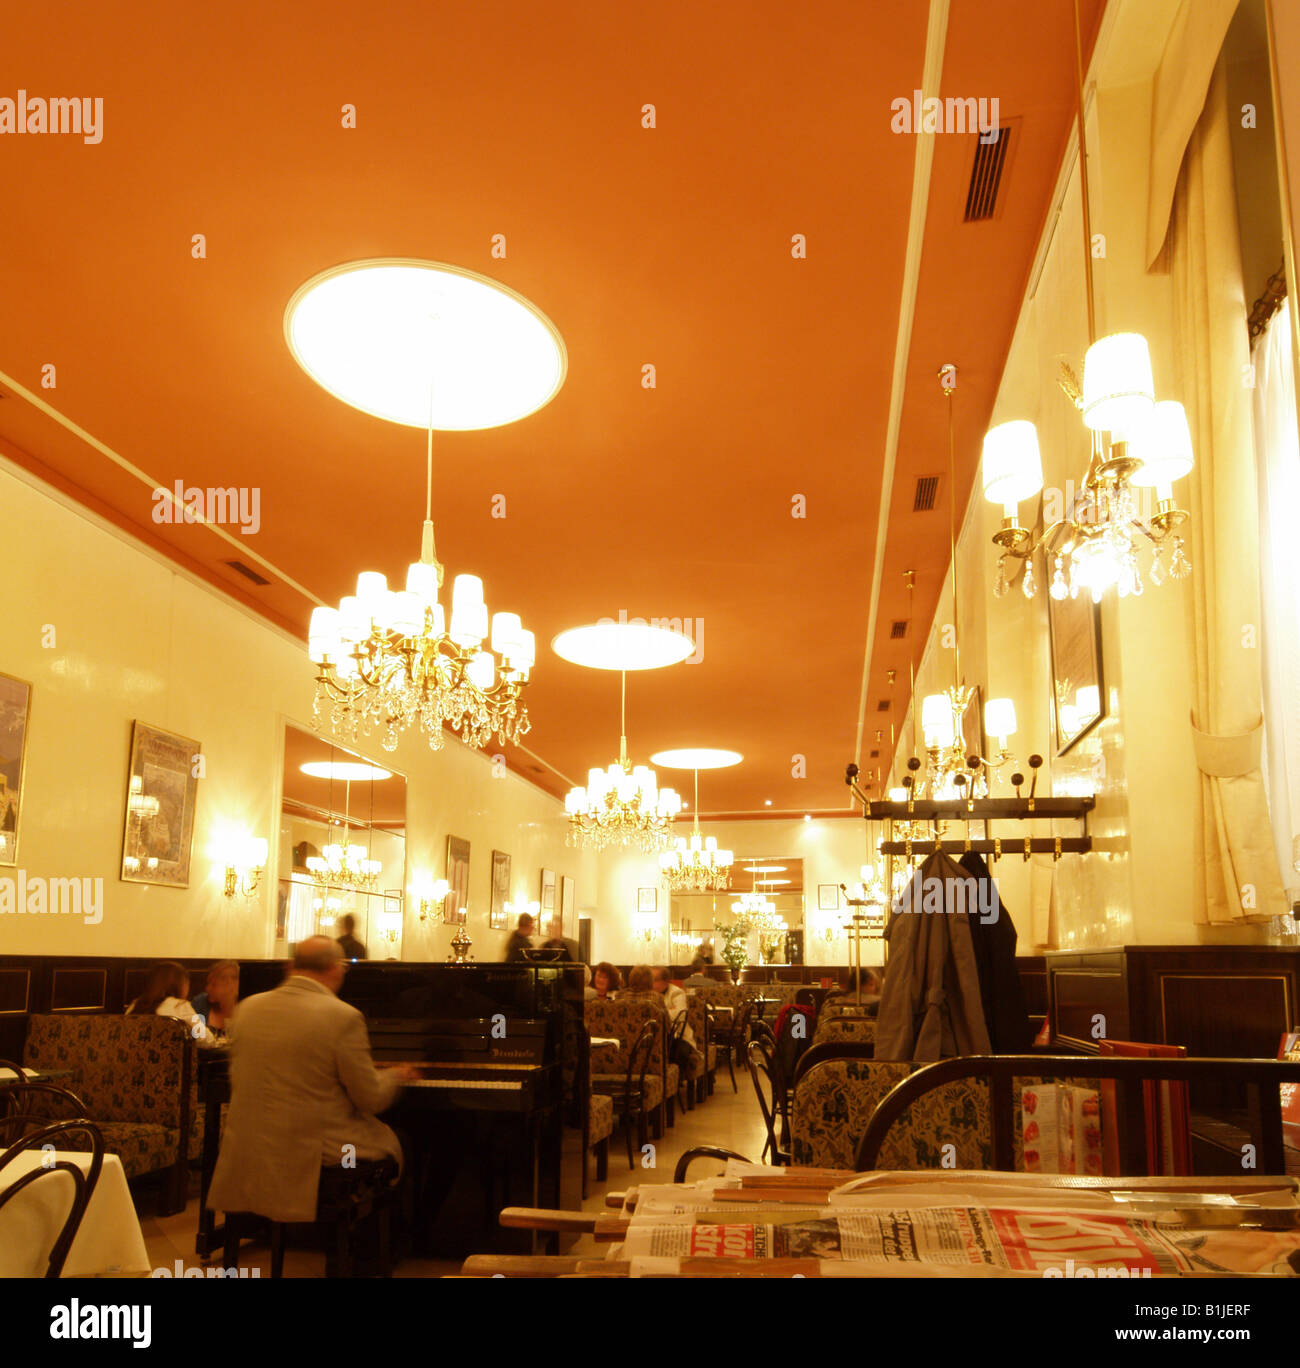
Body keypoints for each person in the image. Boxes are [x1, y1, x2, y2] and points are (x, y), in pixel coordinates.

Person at [207, 936, 417, 1226]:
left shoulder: (247, 1010)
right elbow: (371, 1099)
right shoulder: (343, 1016)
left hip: (251, 1147)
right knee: (403, 1142)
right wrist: (396, 1075)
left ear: (290, 967)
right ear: (336, 969)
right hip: (325, 1153)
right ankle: (369, 1254)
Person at [126, 960, 218, 1045]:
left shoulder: (135, 1005)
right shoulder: (179, 1005)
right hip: (171, 1062)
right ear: (181, 985)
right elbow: (206, 1040)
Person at [191, 960, 240, 1038]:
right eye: (223, 978)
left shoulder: (247, 1004)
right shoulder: (200, 1002)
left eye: (234, 978)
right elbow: (197, 1036)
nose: (230, 982)